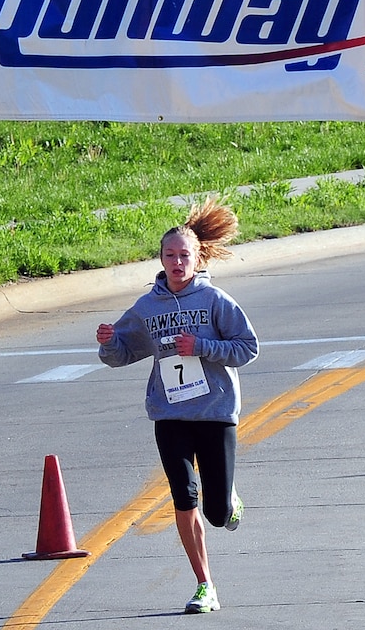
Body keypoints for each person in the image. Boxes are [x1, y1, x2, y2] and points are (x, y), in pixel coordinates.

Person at [96, 197, 258, 614]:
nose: (177, 262)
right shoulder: (147, 307)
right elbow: (123, 353)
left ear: (197, 258)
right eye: (170, 255)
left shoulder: (216, 300)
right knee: (184, 497)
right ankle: (205, 584)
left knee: (217, 513)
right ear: (161, 259)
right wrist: (108, 343)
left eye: (184, 255)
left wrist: (201, 346)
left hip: (215, 412)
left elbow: (248, 347)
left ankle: (228, 497)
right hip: (170, 414)